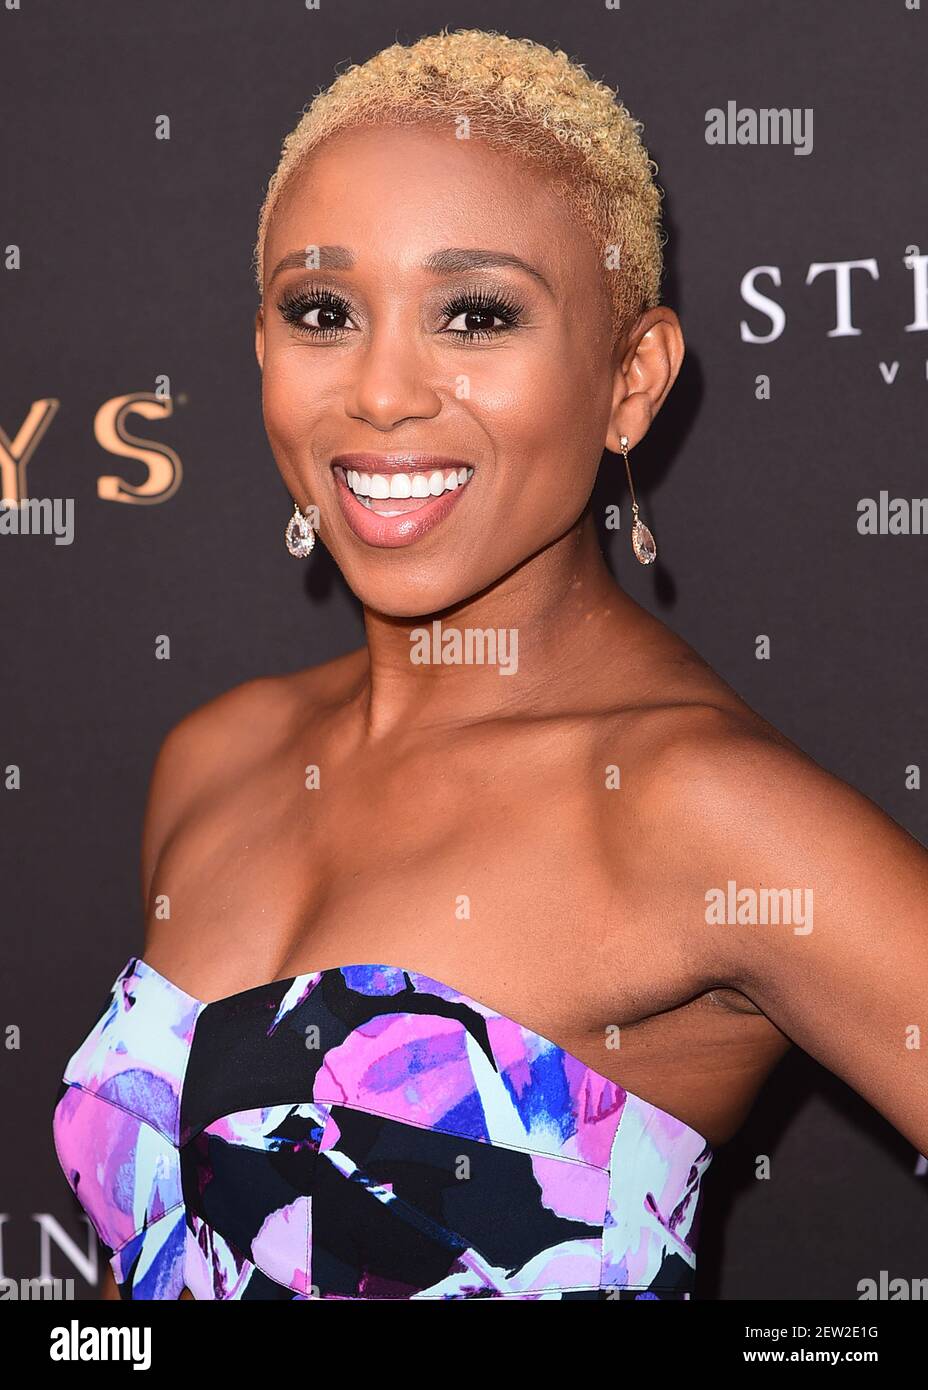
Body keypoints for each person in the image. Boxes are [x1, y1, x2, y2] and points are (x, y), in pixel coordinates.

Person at [53, 28, 928, 1301]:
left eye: (476, 313)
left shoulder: (705, 812)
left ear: (632, 380)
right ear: (260, 349)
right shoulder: (216, 758)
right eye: (322, 312)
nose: (383, 390)